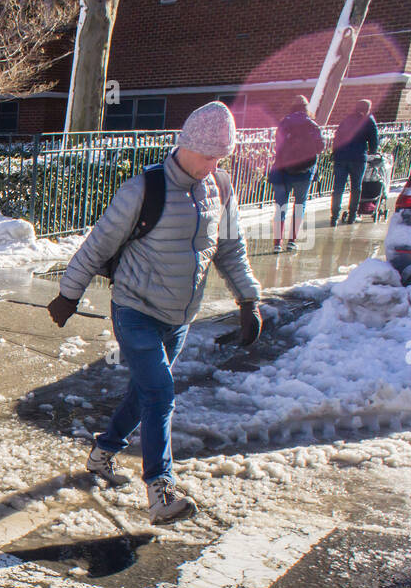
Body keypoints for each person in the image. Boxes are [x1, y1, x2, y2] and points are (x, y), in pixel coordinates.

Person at [45, 101, 263, 524]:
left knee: (144, 392)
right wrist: (68, 295)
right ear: (186, 145)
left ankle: (103, 451)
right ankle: (160, 489)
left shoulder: (221, 187)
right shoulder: (143, 190)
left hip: (179, 317)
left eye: (221, 156)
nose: (213, 164)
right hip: (135, 310)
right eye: (208, 155)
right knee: (161, 393)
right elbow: (98, 245)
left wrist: (249, 300)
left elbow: (231, 250)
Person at [267, 95, 323, 253]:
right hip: (304, 173)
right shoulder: (312, 125)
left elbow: (278, 145)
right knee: (299, 206)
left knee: (280, 208)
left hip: (282, 172)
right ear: (306, 108)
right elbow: (320, 146)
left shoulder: (284, 123)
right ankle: (292, 241)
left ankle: (277, 243)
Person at [330, 99, 379, 226]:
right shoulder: (369, 120)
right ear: (368, 109)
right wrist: (372, 152)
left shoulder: (347, 119)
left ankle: (334, 216)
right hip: (358, 158)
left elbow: (337, 137)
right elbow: (374, 142)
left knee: (338, 188)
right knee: (356, 188)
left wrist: (335, 153)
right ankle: (352, 215)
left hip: (341, 157)